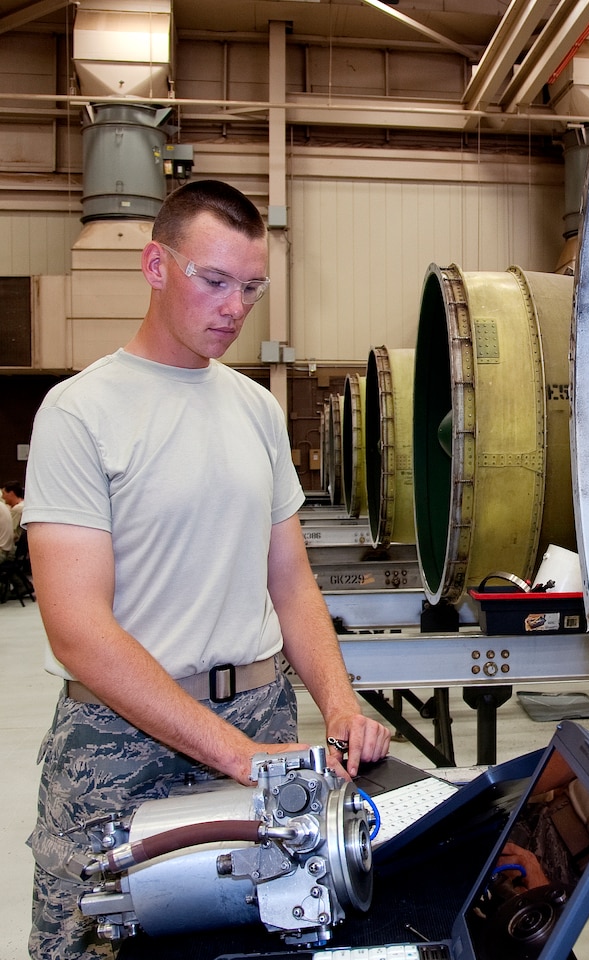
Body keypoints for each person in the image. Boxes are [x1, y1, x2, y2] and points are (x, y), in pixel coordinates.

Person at [21, 179, 392, 960]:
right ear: (156, 266)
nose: (234, 307)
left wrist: (337, 703)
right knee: (92, 941)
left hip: (259, 716)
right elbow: (79, 630)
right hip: (118, 739)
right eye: (213, 281)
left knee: (269, 934)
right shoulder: (80, 412)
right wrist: (235, 756)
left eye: (250, 288)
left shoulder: (254, 409)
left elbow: (290, 584)